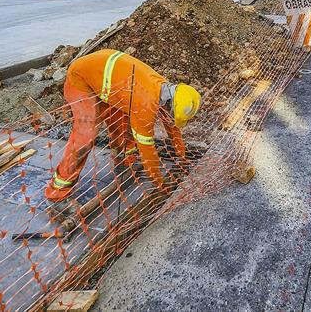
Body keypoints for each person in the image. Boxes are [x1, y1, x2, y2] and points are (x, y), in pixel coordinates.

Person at [44, 49, 202, 216]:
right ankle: (57, 194)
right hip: (81, 78)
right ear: (170, 103)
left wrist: (182, 156)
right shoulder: (145, 103)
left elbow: (171, 125)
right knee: (86, 135)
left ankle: (124, 160)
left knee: (121, 121)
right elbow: (147, 151)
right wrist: (160, 183)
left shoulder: (167, 91)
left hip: (107, 78)